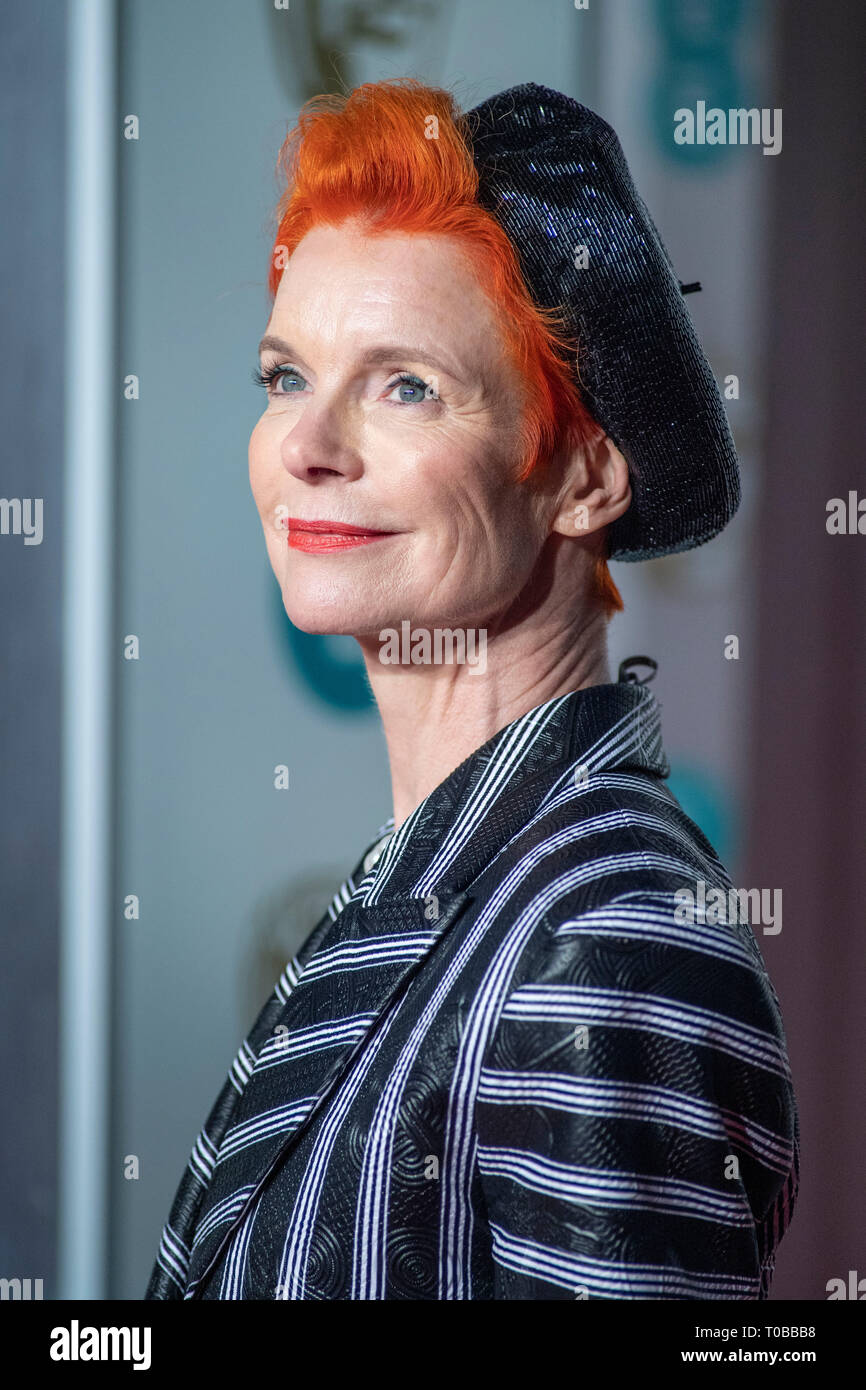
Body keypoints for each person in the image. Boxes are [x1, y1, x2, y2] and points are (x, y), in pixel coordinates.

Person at [145, 79, 798, 1300]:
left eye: (405, 386)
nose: (305, 444)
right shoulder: (441, 879)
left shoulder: (607, 940)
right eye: (284, 376)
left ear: (583, 476)